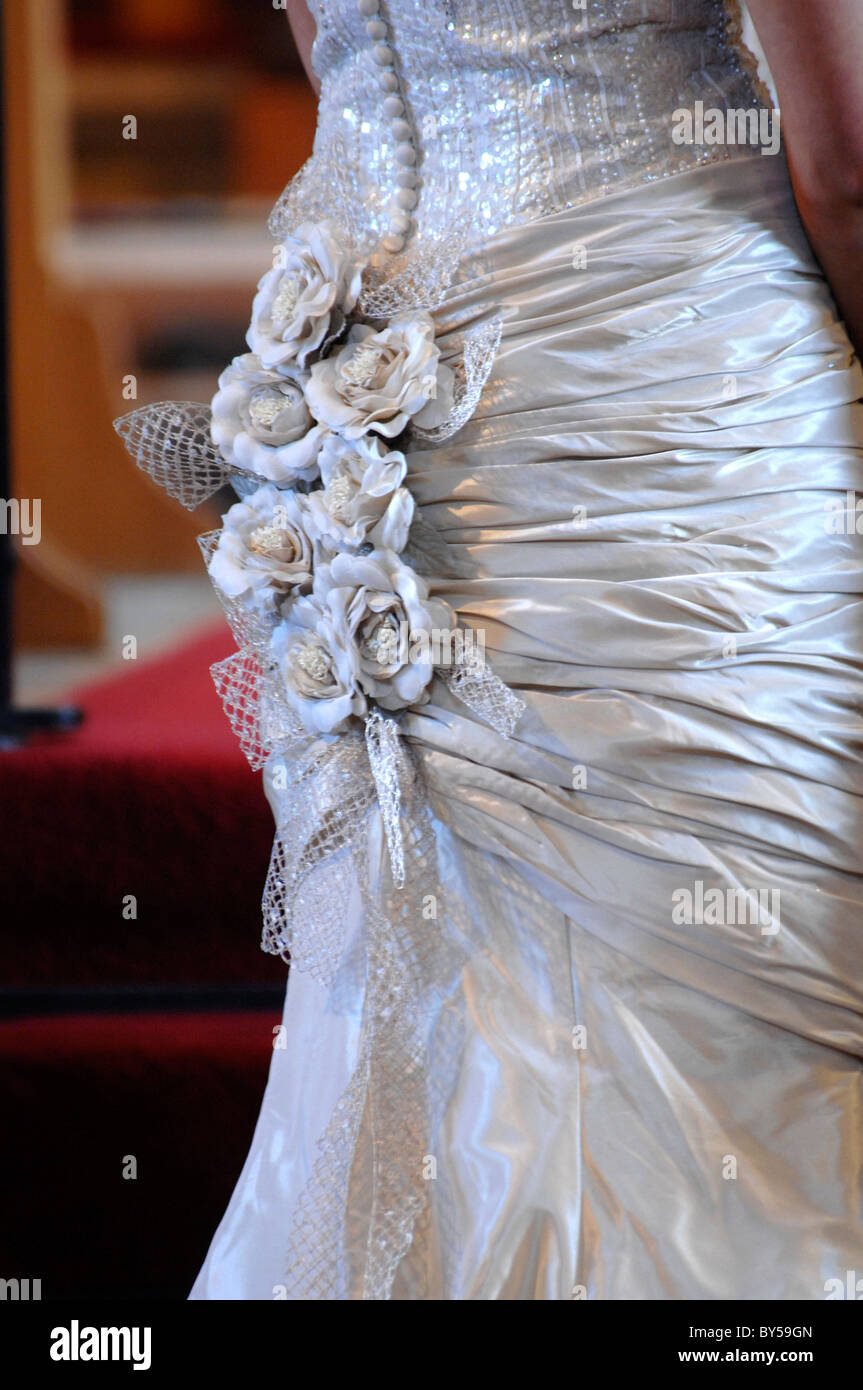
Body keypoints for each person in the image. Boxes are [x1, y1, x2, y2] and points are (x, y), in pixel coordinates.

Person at [185, 0, 863, 1299]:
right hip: (671, 374)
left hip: (380, 370)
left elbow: (339, 45)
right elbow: (849, 168)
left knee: (435, 999)